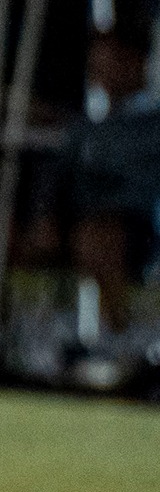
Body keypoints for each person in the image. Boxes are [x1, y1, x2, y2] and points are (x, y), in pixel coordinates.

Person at [59, 27, 160, 389]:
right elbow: (61, 176)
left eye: (108, 64)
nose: (100, 75)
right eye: (95, 67)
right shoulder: (86, 127)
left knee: (102, 234)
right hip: (88, 224)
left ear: (137, 63)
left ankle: (118, 339)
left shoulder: (153, 124)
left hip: (144, 230)